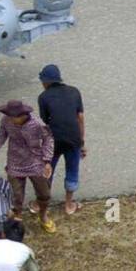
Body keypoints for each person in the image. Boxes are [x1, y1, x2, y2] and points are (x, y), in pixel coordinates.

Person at [0, 99, 56, 234]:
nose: (11, 119)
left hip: (35, 161)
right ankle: (17, 221)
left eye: (14, 117)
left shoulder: (37, 124)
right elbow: (1, 135)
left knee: (44, 193)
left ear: (23, 115)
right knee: (16, 196)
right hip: (15, 162)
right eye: (9, 116)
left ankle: (43, 216)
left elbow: (49, 139)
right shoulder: (6, 120)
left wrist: (47, 161)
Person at [37, 65, 85, 216]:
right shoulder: (74, 91)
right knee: (72, 170)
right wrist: (81, 142)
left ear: (46, 81)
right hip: (73, 139)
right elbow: (80, 118)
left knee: (47, 170)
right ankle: (69, 204)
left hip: (54, 141)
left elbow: (45, 124)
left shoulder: (43, 97)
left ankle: (42, 203)